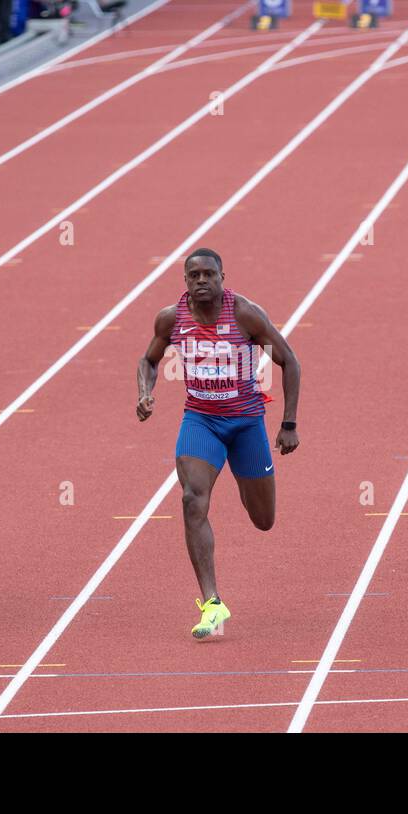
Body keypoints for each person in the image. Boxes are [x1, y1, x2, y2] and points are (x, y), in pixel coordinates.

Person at [136, 248, 301, 639]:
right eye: (193, 275)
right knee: (193, 498)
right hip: (201, 421)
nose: (201, 281)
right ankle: (212, 602)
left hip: (246, 424)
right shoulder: (171, 319)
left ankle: (247, 485)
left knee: (263, 520)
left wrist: (289, 424)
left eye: (209, 274)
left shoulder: (244, 314)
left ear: (223, 277)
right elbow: (148, 360)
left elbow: (289, 360)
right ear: (186, 281)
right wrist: (145, 392)